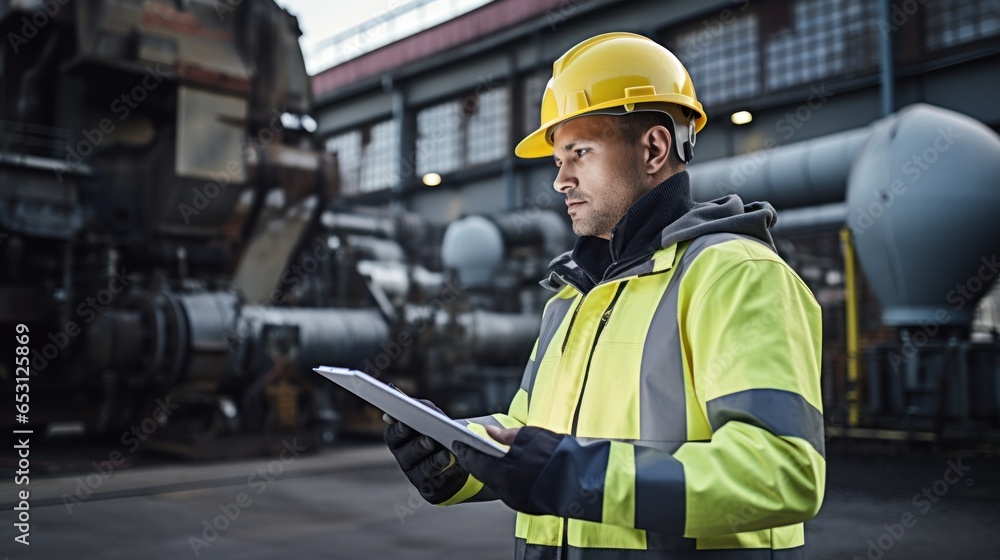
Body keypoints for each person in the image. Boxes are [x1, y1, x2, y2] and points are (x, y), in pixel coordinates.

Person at [384, 32, 825, 559]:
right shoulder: (568, 302)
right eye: (557, 160)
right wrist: (456, 450)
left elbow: (781, 472)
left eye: (580, 153)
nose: (561, 181)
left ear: (655, 148)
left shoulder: (734, 275)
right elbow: (532, 436)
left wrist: (574, 472)